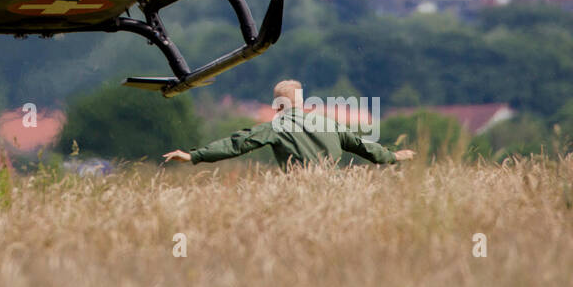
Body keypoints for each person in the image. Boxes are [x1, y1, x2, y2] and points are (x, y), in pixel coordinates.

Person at [163, 79, 415, 169]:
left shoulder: (276, 127)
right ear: (303, 101)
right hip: (339, 194)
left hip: (301, 195)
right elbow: (365, 148)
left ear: (277, 105)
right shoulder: (330, 124)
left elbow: (236, 145)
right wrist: (395, 156)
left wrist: (192, 156)